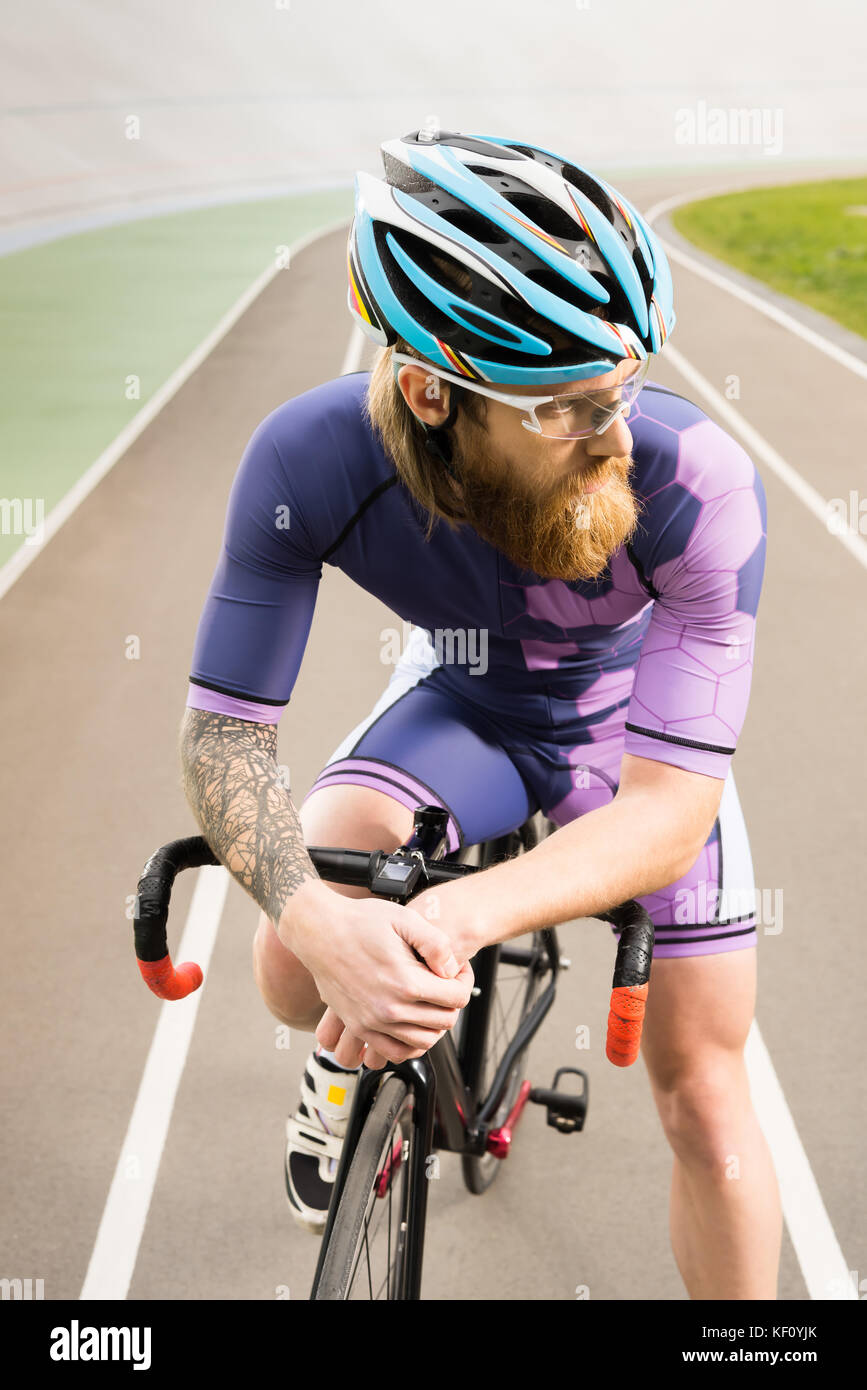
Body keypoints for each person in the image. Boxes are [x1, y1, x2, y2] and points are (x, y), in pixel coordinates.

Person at [180, 128, 780, 1299]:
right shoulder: (307, 461)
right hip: (460, 697)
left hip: (627, 738)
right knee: (287, 974)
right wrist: (317, 919)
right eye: (566, 408)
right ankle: (343, 1054)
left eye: (626, 386)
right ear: (430, 389)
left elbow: (664, 817)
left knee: (708, 1104)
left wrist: (451, 925)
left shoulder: (699, 485)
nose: (615, 434)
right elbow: (224, 734)